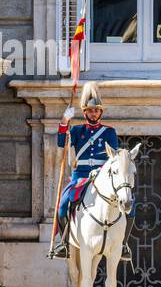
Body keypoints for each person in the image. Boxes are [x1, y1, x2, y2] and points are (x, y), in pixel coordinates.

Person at [50, 81, 127, 260]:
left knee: (131, 205)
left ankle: (123, 245)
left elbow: (113, 157)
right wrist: (64, 121)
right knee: (62, 205)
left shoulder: (109, 132)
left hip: (102, 177)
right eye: (90, 111)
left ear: (101, 112)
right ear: (85, 113)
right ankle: (64, 243)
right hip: (81, 177)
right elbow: (62, 143)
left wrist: (100, 171)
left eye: (96, 110)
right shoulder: (77, 130)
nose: (93, 113)